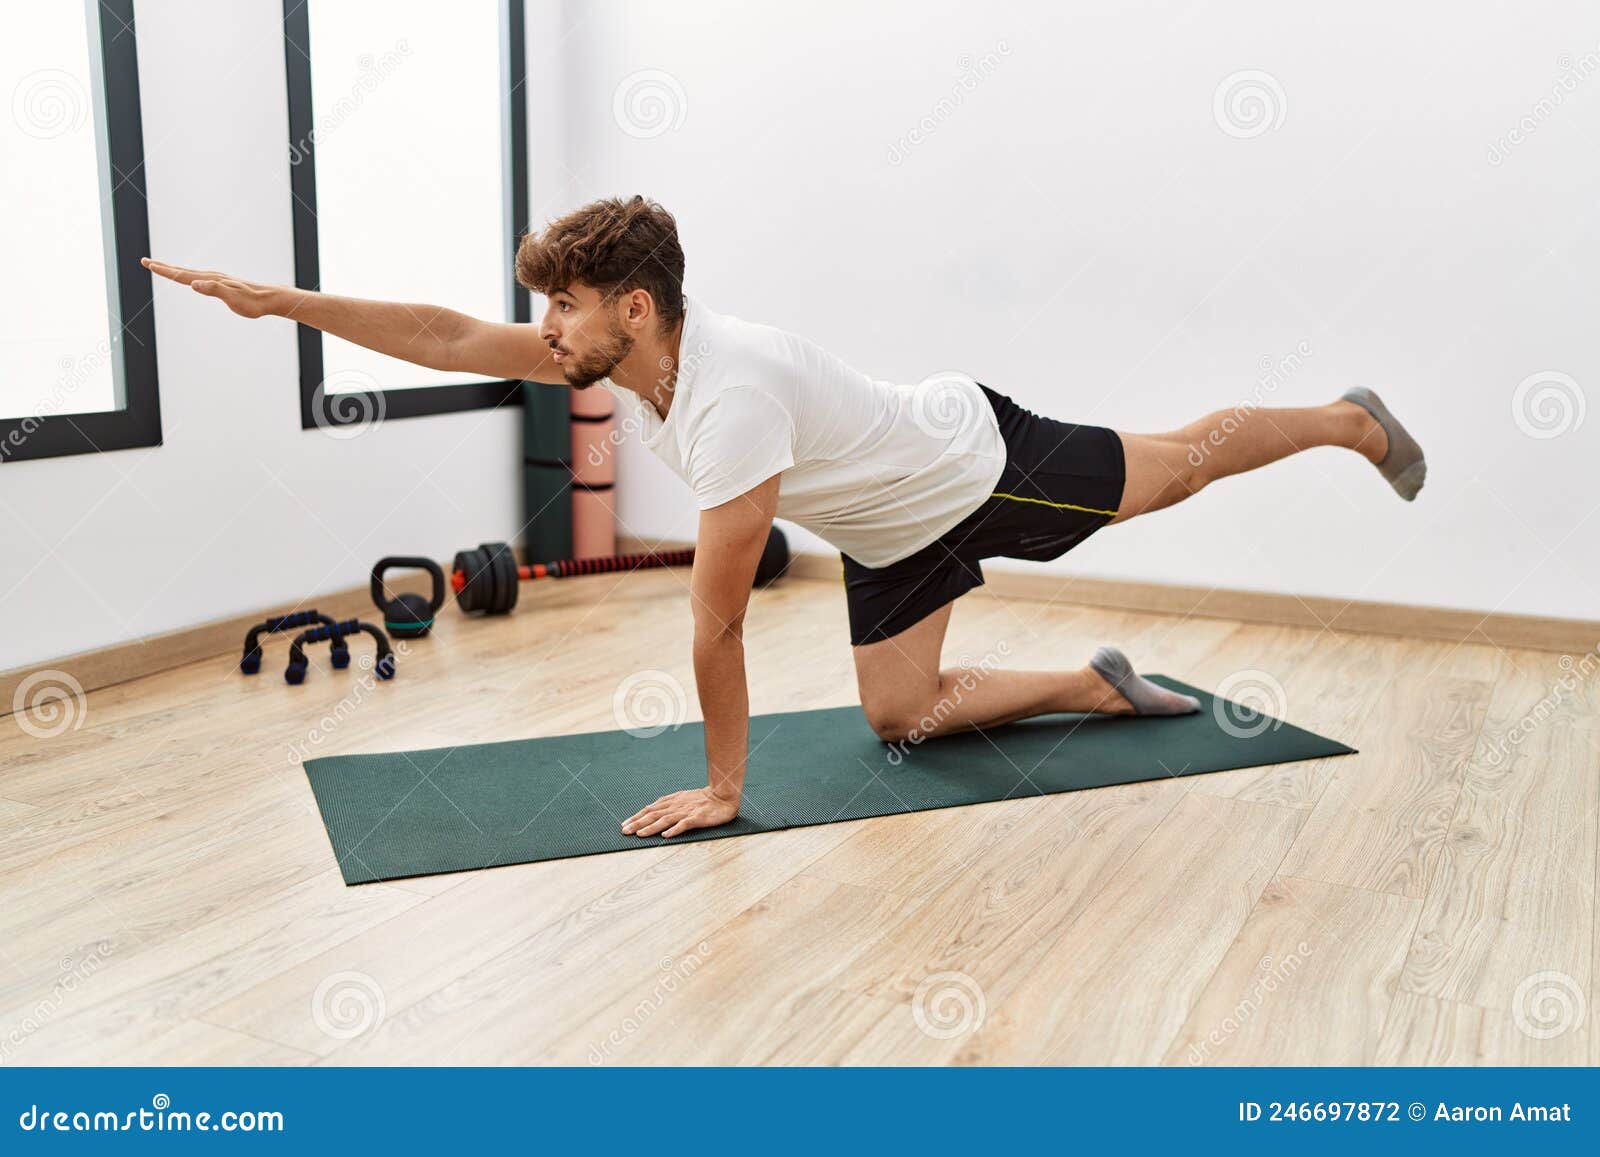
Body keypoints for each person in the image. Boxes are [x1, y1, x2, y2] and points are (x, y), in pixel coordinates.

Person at [143, 194, 1424, 840]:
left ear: (634, 308)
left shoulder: (729, 402)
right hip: (886, 526)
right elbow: (441, 331)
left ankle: (1342, 418)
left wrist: (722, 785)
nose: (545, 331)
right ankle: (1091, 687)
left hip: (971, 467)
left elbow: (716, 624)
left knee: (1182, 465)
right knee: (899, 716)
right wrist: (275, 299)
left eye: (566, 307)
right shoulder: (620, 359)